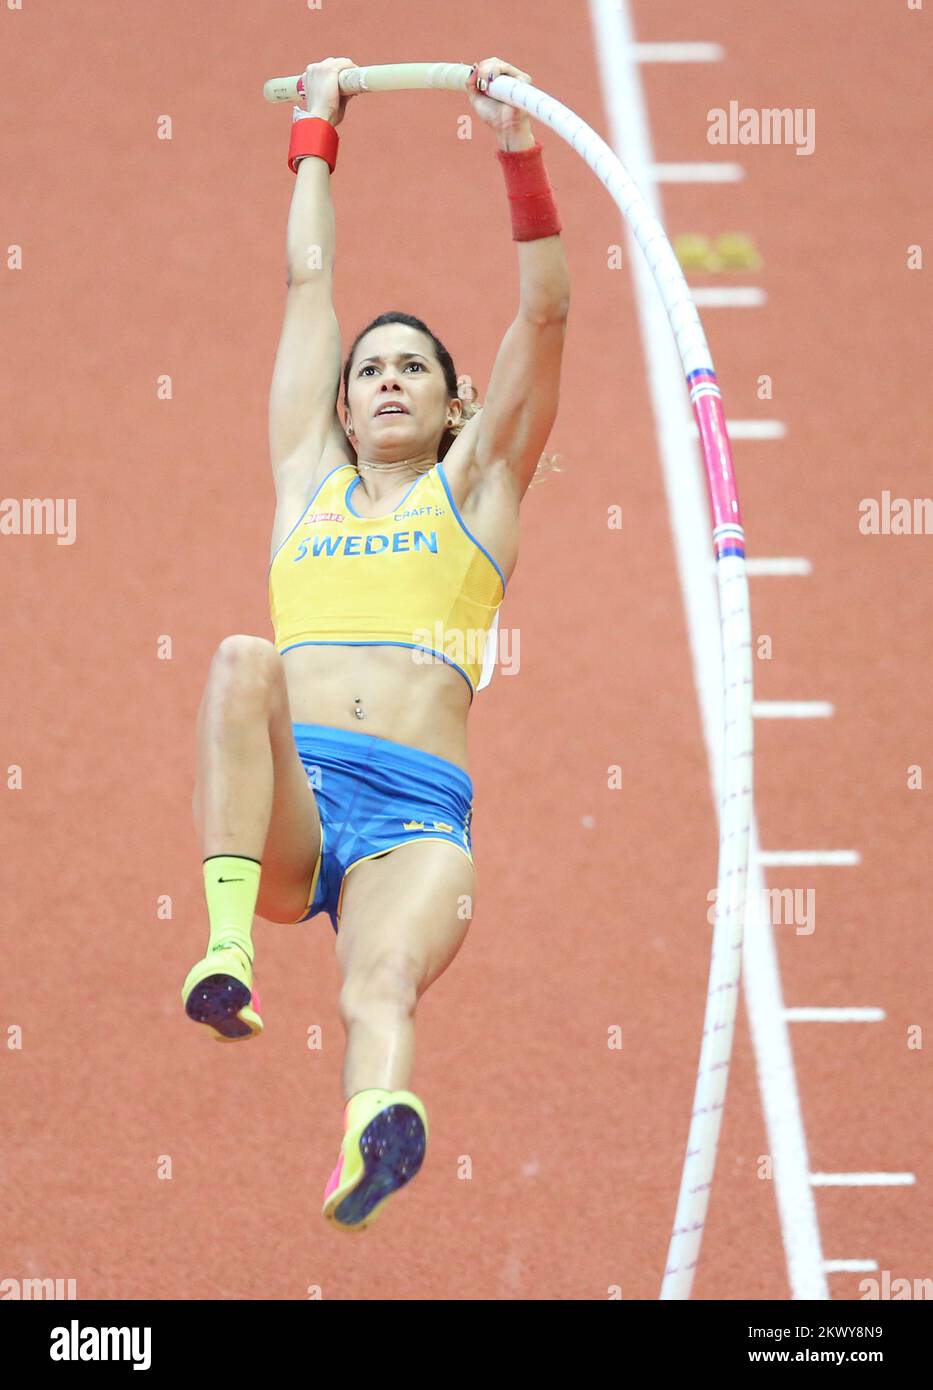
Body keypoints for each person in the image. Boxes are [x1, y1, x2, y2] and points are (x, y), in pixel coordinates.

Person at [180, 55, 570, 1232]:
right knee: (243, 657)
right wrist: (314, 129)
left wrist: (516, 149)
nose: (387, 379)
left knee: (380, 984)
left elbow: (545, 311)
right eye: (370, 370)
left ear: (456, 404)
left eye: (414, 368)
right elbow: (310, 282)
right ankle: (224, 950)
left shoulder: (478, 489)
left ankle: (373, 1128)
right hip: (299, 805)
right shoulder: (305, 486)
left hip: (414, 821)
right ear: (342, 407)